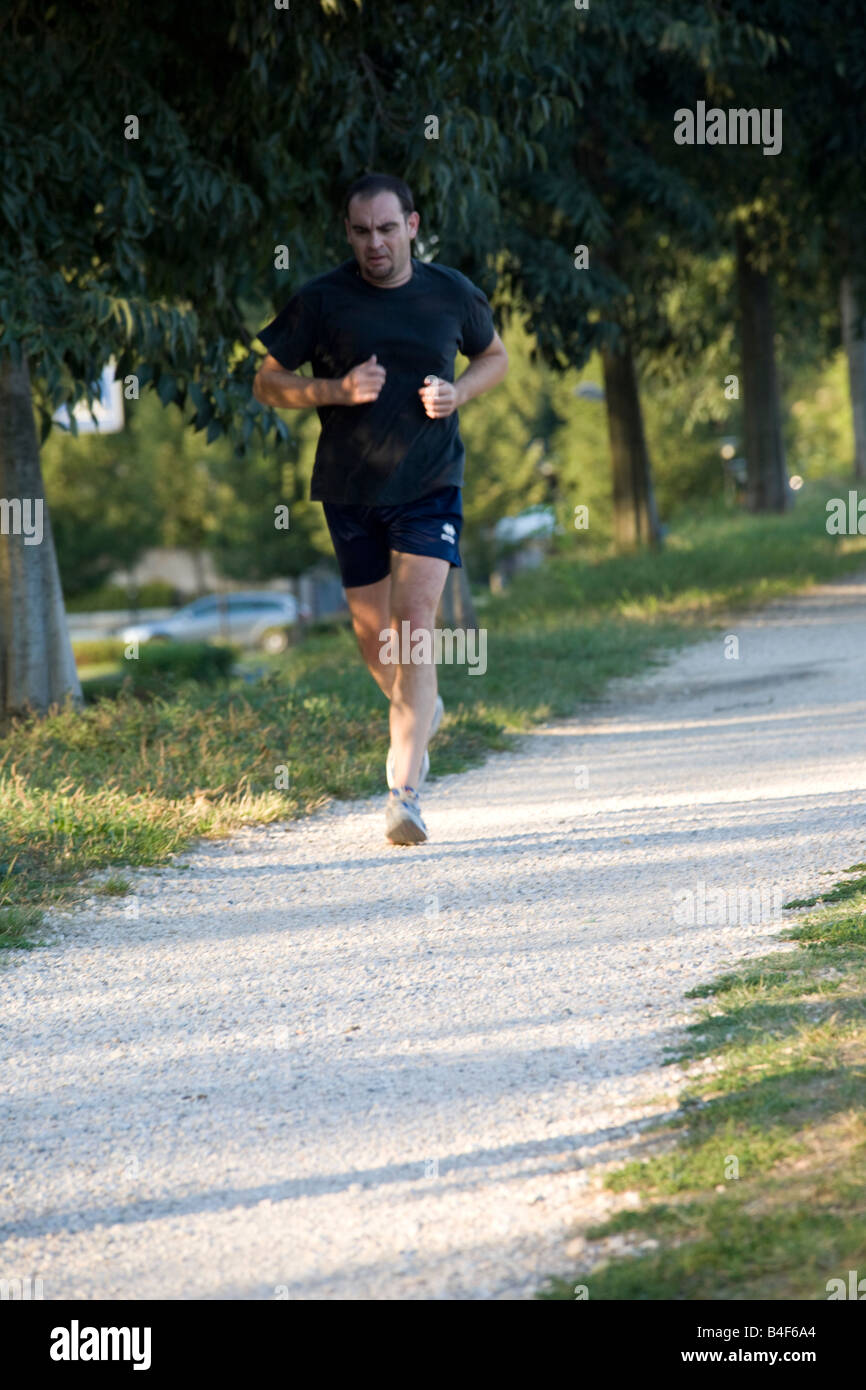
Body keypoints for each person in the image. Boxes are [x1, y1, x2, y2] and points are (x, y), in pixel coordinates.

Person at [253, 173, 509, 844]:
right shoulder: (322, 300)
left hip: (431, 483)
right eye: (363, 231)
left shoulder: (450, 291)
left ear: (413, 226)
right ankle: (421, 711)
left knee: (415, 620)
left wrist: (460, 393)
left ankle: (404, 793)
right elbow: (267, 382)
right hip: (350, 488)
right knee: (376, 641)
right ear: (348, 233)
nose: (376, 244)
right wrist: (333, 390)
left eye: (388, 229)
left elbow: (494, 356)